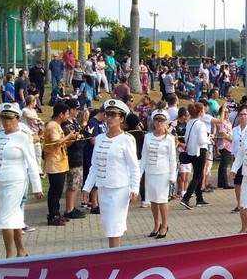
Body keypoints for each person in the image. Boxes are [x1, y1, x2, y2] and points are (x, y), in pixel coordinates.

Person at [0, 104, 44, 258]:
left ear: (17, 119)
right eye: (4, 118)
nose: (6, 121)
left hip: (17, 181)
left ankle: (9, 255)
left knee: (5, 218)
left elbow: (32, 162)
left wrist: (37, 187)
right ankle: (22, 252)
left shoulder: (23, 137)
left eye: (10, 118)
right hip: (2, 181)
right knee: (15, 217)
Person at [82, 99, 140, 248]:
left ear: (121, 119)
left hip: (119, 189)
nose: (109, 118)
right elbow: (94, 165)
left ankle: (115, 259)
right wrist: (87, 187)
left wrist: (135, 188)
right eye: (107, 114)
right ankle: (115, 255)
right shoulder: (100, 138)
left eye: (113, 115)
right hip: (103, 188)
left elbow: (134, 167)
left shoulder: (126, 140)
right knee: (109, 226)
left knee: (114, 227)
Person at [141, 110, 178, 238]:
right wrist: (139, 173)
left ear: (166, 122)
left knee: (162, 200)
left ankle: (164, 225)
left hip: (163, 173)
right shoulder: (147, 137)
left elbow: (172, 159)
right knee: (153, 200)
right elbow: (144, 156)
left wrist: (173, 176)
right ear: (153, 122)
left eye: (162, 120)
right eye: (157, 120)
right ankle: (156, 224)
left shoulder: (169, 139)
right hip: (150, 172)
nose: (159, 123)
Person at [43, 103, 80, 226]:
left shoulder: (57, 126)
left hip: (61, 162)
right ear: (61, 114)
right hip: (54, 163)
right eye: (67, 113)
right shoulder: (52, 126)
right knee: (55, 191)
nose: (68, 116)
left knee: (58, 191)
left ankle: (57, 213)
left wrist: (71, 139)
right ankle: (52, 215)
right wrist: (69, 136)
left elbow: (63, 144)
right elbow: (56, 142)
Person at [179, 102, 210, 209]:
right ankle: (186, 198)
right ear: (201, 112)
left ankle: (199, 198)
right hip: (199, 151)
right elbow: (202, 141)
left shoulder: (190, 122)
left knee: (198, 174)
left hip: (191, 151)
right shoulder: (200, 124)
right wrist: (209, 139)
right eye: (203, 109)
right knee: (198, 176)